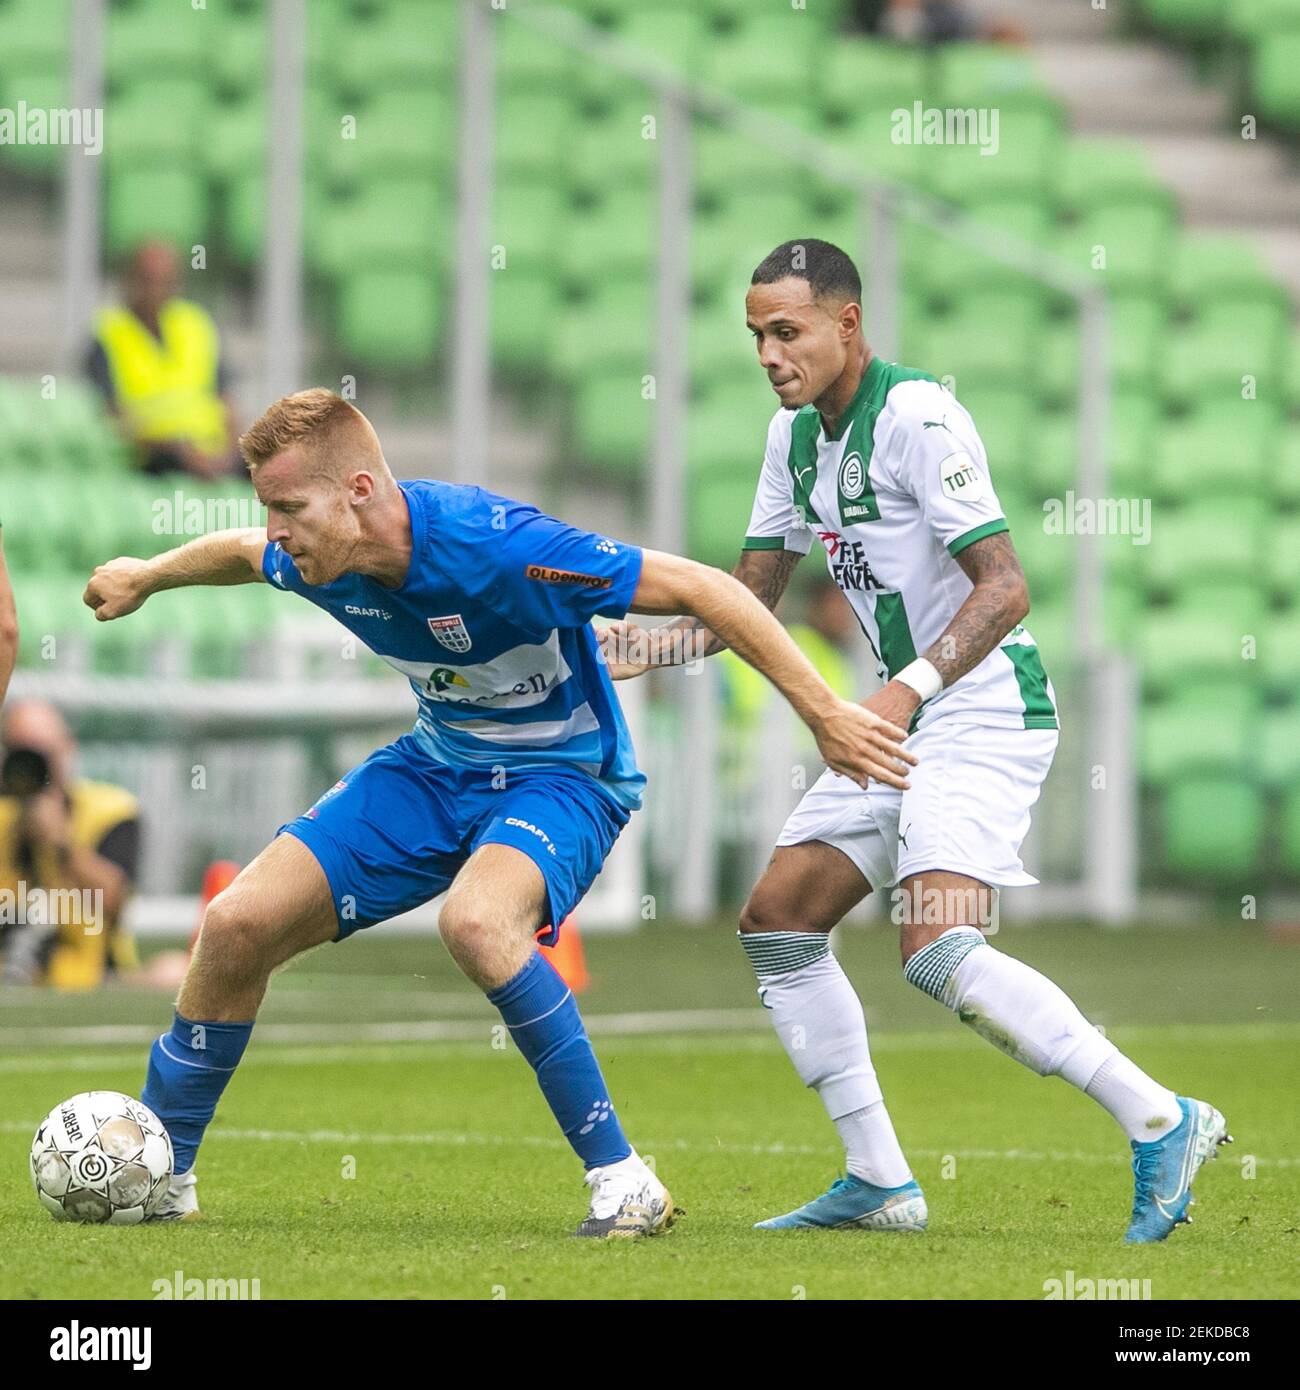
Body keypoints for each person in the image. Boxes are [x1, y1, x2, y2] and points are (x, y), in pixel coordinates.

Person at [82, 387, 915, 1236]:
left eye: (289, 507)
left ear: (360, 492)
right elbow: (236, 552)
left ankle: (623, 1179)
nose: (277, 532)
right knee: (234, 922)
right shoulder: (306, 555)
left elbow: (709, 590)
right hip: (435, 767)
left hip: (563, 777)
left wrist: (824, 713)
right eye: (270, 509)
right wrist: (147, 577)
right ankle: (163, 1173)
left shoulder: (502, 547)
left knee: (477, 924)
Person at [601, 239, 1229, 1244]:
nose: (767, 353)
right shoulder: (792, 442)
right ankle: (880, 1180)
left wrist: (904, 689)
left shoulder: (919, 417)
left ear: (846, 324)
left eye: (786, 330)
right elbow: (745, 606)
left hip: (981, 708)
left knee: (935, 948)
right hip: (896, 720)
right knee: (777, 922)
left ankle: (1161, 1117)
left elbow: (1006, 585)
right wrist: (637, 644)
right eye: (756, 334)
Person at [0, 700, 141, 989]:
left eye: (41, 754)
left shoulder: (109, 810)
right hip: (10, 962)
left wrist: (61, 841)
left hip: (96, 971)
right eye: (21, 754)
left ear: (67, 747)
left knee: (172, 970)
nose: (32, 768)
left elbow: (113, 902)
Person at [85, 241, 240, 479]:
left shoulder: (195, 324)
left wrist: (230, 453)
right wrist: (177, 448)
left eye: (166, 281)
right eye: (147, 280)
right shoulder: (109, 333)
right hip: (149, 457)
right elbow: (111, 418)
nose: (156, 289)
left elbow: (226, 401)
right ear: (128, 280)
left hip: (208, 451)